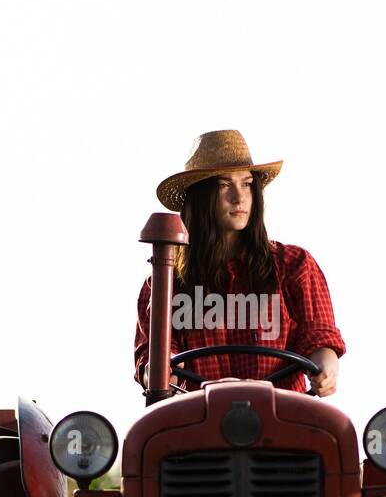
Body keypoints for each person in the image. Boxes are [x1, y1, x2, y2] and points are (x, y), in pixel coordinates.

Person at [134, 129, 345, 397]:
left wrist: (326, 367)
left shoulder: (294, 265)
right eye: (224, 185)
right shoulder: (165, 284)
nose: (239, 196)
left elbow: (319, 338)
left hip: (282, 422)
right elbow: (154, 359)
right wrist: (161, 367)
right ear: (200, 198)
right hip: (200, 425)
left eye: (246, 184)